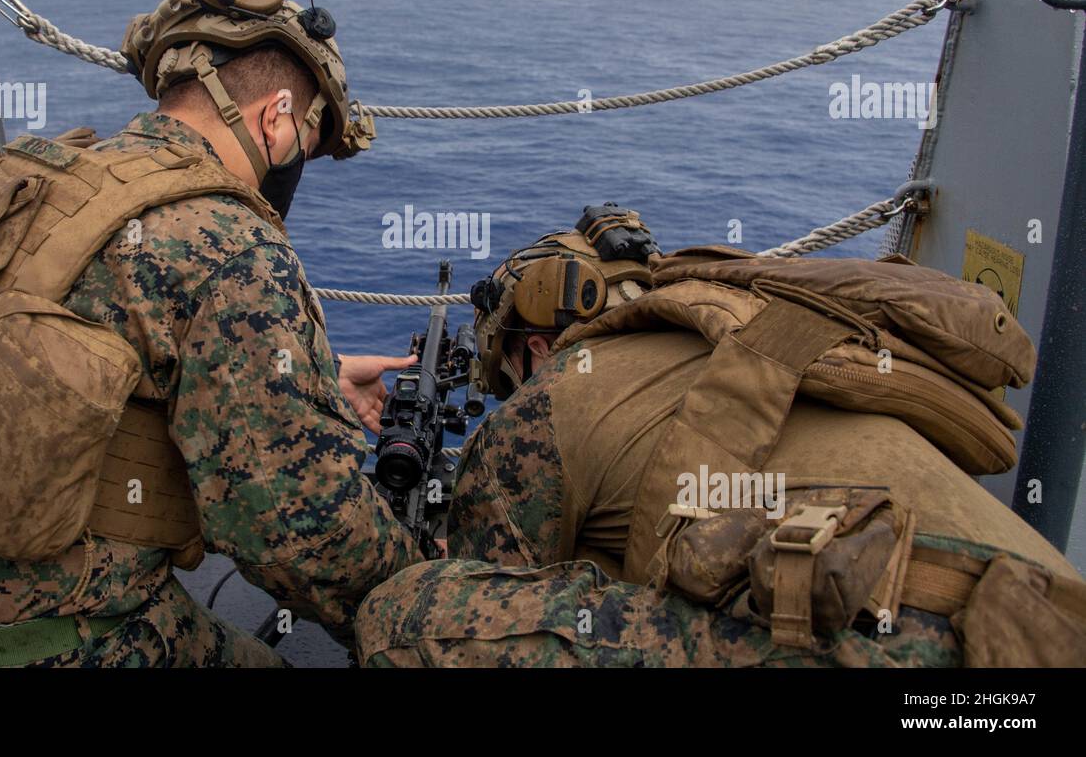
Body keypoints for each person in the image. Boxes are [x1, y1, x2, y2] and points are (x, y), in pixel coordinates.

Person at [0, 0, 423, 666]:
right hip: (43, 642)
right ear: (276, 119)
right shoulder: (235, 245)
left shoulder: (40, 177)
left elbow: (59, 360)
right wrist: (426, 599)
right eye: (306, 136)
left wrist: (308, 380)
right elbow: (294, 531)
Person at [355, 205, 1086, 667]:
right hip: (1041, 619)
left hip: (899, 648)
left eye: (509, 375)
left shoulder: (548, 402)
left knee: (405, 616)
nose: (512, 397)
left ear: (538, 352)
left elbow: (499, 593)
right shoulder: (745, 324)